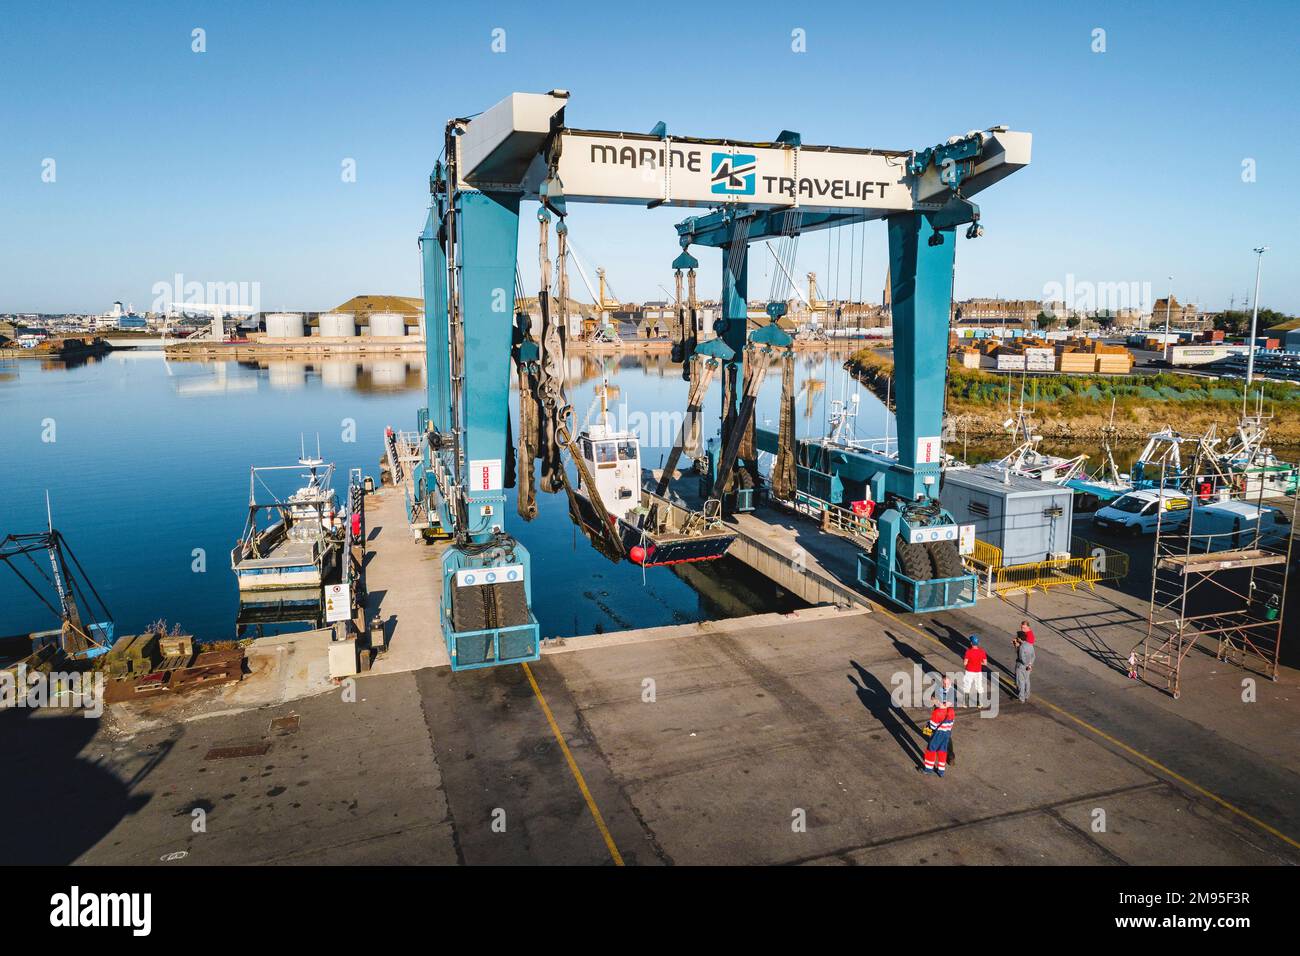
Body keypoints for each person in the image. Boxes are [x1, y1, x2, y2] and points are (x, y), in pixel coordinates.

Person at [920, 699, 956, 777]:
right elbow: (951, 723)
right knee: (942, 752)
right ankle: (941, 771)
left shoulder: (937, 712)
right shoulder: (951, 711)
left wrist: (927, 728)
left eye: (933, 700)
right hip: (947, 733)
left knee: (931, 750)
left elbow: (932, 726)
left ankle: (928, 770)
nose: (932, 702)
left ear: (938, 701)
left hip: (937, 734)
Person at [961, 635, 987, 703]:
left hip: (969, 671)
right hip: (978, 672)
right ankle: (980, 703)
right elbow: (985, 663)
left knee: (967, 686)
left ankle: (966, 703)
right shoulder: (982, 652)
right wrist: (978, 663)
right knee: (979, 686)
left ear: (971, 643)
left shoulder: (968, 651)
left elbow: (965, 663)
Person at [1016, 630, 1036, 702]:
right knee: (1027, 680)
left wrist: (1026, 665)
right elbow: (1033, 656)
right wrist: (1030, 664)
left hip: (1021, 666)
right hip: (1029, 666)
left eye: (1018, 638)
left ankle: (1022, 698)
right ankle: (1027, 695)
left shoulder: (1022, 647)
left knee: (1021, 681)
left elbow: (1022, 658)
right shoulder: (1030, 645)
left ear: (1020, 638)